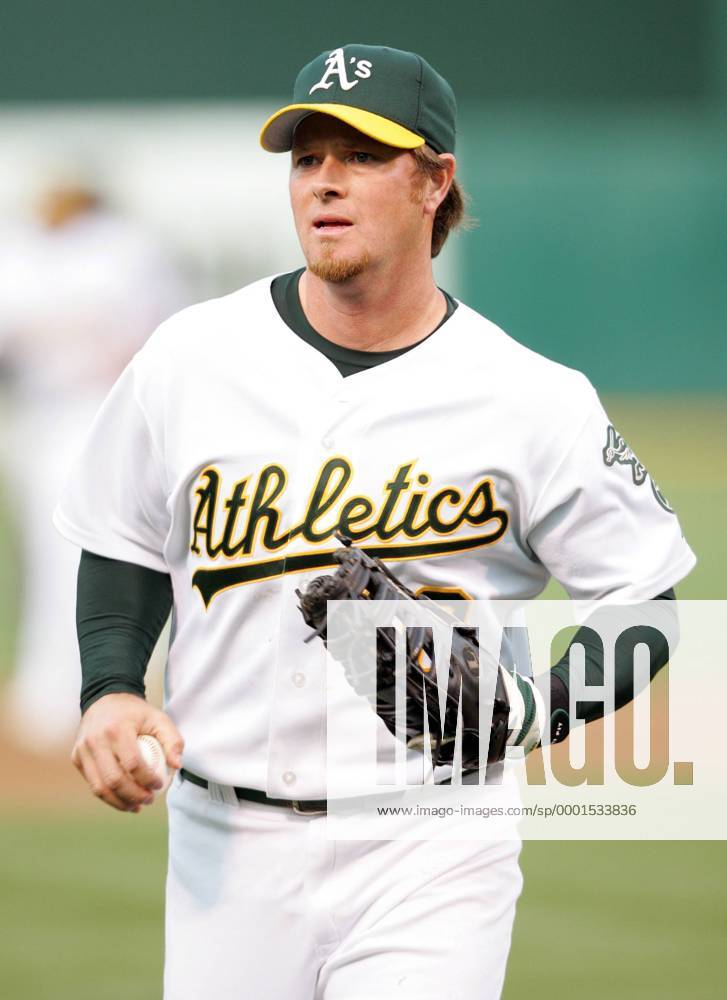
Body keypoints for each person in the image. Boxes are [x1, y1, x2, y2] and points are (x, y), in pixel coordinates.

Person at [54, 45, 695, 999]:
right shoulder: (189, 357)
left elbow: (644, 598)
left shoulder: (531, 398)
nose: (325, 182)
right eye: (307, 158)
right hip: (224, 847)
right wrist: (110, 688)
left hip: (433, 842)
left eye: (360, 156)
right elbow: (123, 540)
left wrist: (538, 708)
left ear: (435, 182)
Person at [0, 177, 186, 749]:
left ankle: (95, 687)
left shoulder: (124, 248)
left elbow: (159, 336)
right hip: (46, 415)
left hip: (108, 408)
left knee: (102, 549)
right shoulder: (24, 251)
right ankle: (50, 691)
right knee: (52, 552)